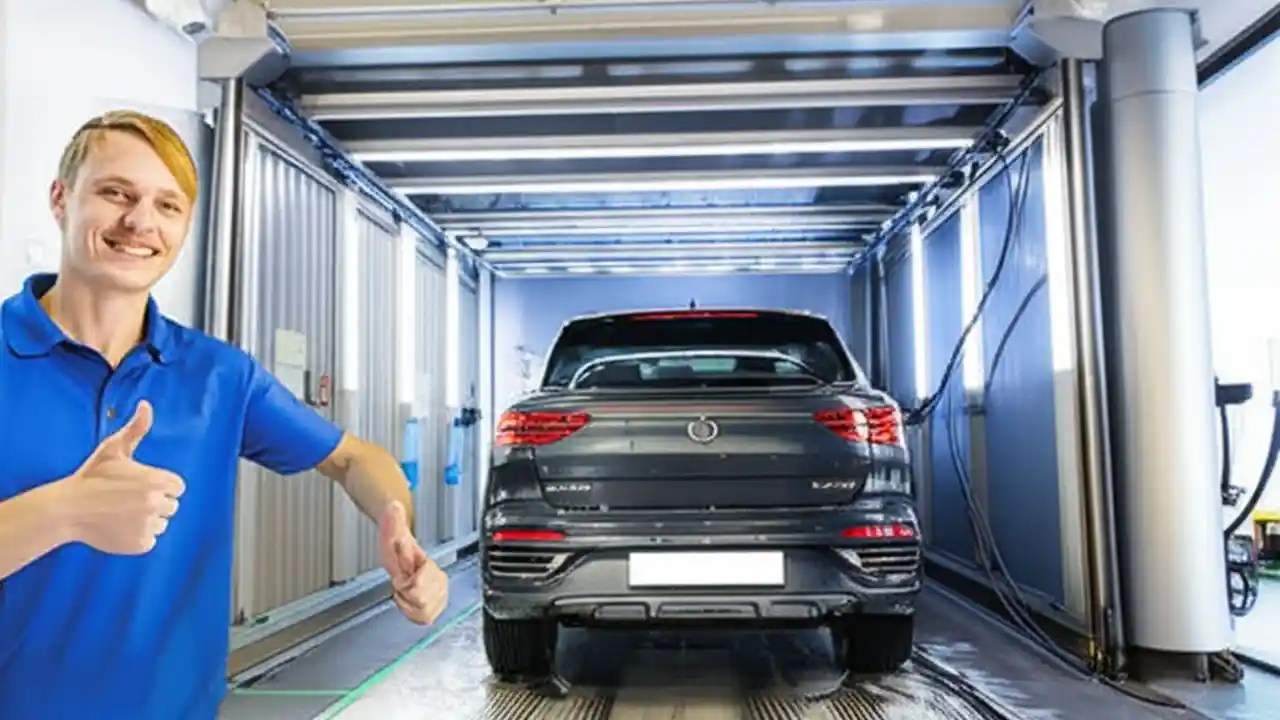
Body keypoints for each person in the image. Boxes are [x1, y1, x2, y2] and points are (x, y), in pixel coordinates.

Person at [0, 110, 449, 719]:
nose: (140, 222)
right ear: (61, 198)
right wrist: (61, 512)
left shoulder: (218, 377)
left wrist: (400, 530)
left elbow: (353, 459)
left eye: (168, 205)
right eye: (115, 193)